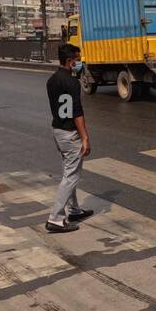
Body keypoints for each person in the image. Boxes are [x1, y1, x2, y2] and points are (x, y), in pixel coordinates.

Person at [45, 43, 93, 233]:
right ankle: (56, 218)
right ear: (70, 61)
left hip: (57, 130)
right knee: (71, 176)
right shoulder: (72, 83)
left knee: (68, 170)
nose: (79, 62)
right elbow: (76, 112)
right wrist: (85, 137)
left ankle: (74, 210)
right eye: (77, 59)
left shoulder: (52, 80)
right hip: (70, 133)